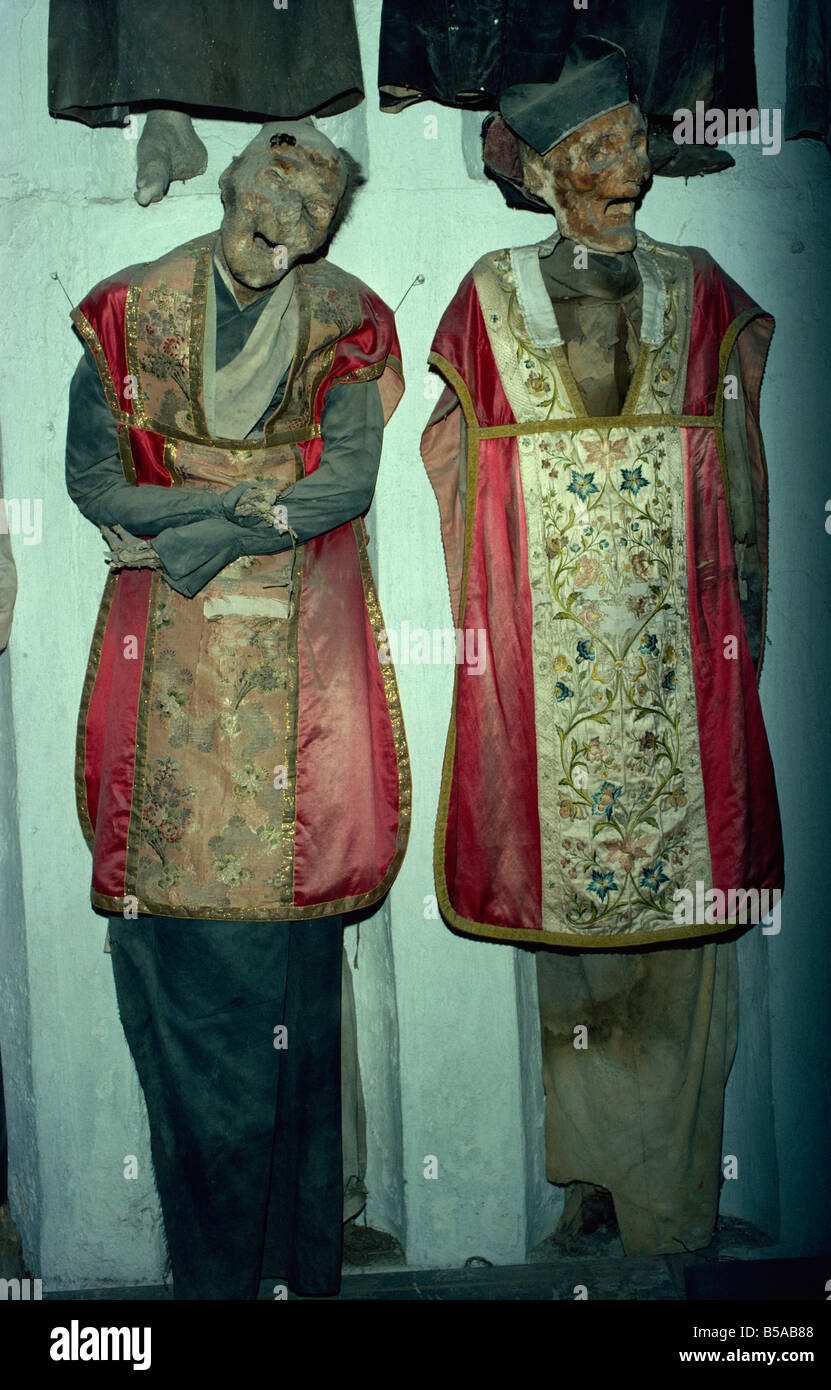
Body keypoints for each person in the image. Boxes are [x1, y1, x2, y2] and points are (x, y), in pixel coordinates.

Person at [421, 37, 783, 1255]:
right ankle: (586, 1177)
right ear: (542, 171)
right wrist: (492, 627)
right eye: (597, 144)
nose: (626, 160)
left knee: (688, 934)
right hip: (550, 667)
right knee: (561, 936)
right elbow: (448, 453)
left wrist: (743, 617)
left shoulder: (701, 287)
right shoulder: (490, 295)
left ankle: (674, 1192)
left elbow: (740, 464)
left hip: (683, 659)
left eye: (633, 136)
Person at [65, 120, 411, 1298]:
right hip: (164, 670)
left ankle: (296, 1277)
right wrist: (196, 524)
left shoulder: (347, 316)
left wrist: (218, 520)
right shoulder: (130, 308)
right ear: (230, 190)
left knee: (302, 1016)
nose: (287, 234)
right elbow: (95, 476)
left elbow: (349, 480)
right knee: (186, 986)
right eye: (272, 207)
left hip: (301, 684)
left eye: (314, 220)